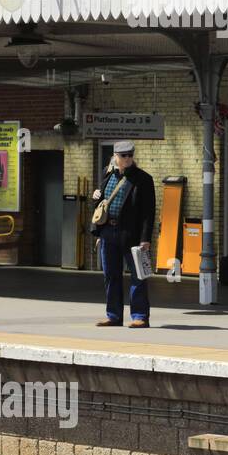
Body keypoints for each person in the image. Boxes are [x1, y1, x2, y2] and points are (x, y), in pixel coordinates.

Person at [90, 140, 156, 328]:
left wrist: (145, 239)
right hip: (108, 232)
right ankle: (113, 315)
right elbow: (101, 205)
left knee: (138, 276)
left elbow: (148, 212)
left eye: (130, 155)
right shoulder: (107, 174)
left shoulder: (143, 179)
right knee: (111, 275)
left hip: (132, 235)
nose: (127, 159)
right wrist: (96, 198)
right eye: (123, 156)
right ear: (115, 157)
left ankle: (139, 316)